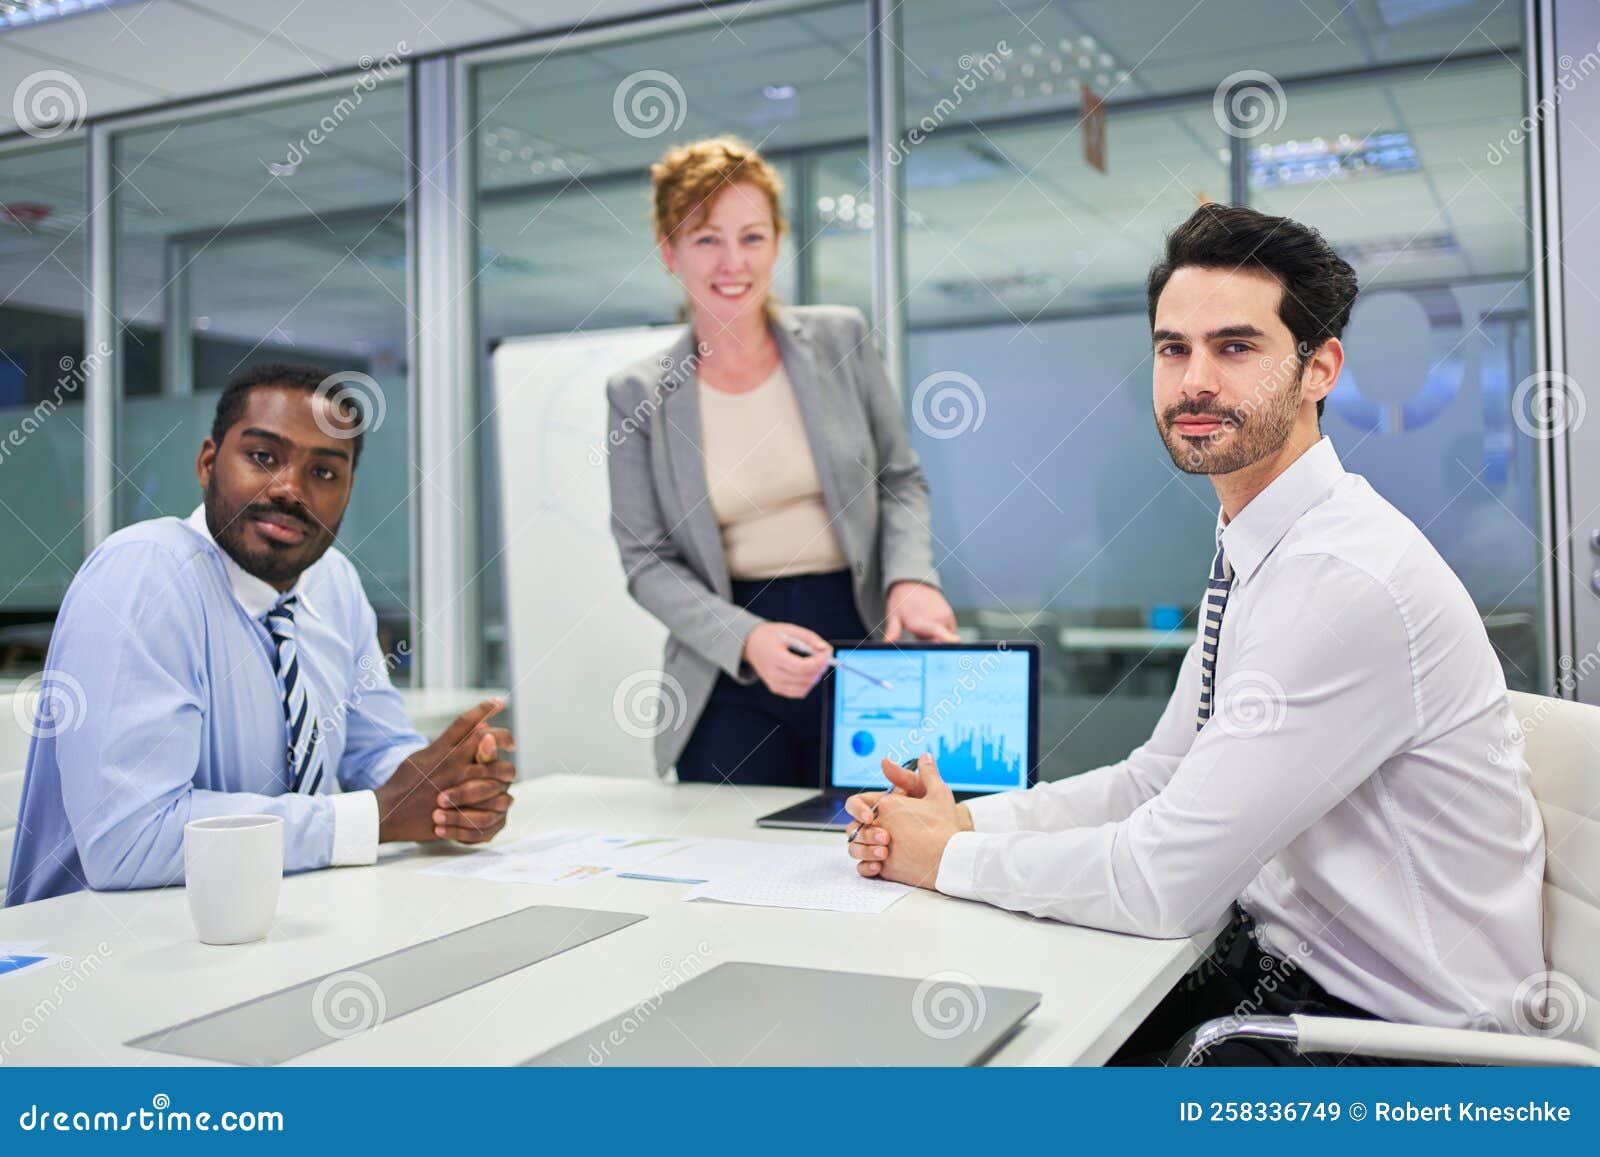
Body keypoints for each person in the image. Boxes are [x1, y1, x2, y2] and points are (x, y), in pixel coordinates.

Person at [843, 204, 1547, 1064]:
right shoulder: (1259, 544)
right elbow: (1157, 779)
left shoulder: (1344, 582)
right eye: (1174, 349)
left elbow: (1162, 882)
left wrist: (945, 857)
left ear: (1320, 368)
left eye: (1236, 347)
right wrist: (966, 822)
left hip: (1401, 1047)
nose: (1195, 381)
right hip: (1278, 978)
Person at [6, 363, 517, 906]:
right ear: (208, 463)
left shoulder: (333, 583)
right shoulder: (145, 575)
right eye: (263, 457)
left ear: (348, 491)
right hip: (98, 938)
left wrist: (447, 791)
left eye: (324, 472)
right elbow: (130, 841)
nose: (290, 489)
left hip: (278, 919)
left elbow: (377, 748)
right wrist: (378, 815)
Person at [606, 136, 957, 786]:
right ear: (669, 251)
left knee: (877, 833)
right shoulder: (638, 394)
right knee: (728, 844)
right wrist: (746, 638)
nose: (733, 262)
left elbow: (899, 480)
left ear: (776, 242)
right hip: (727, 655)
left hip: (860, 637)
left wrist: (911, 577)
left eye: (752, 237)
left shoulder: (840, 338)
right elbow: (646, 559)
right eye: (706, 239)